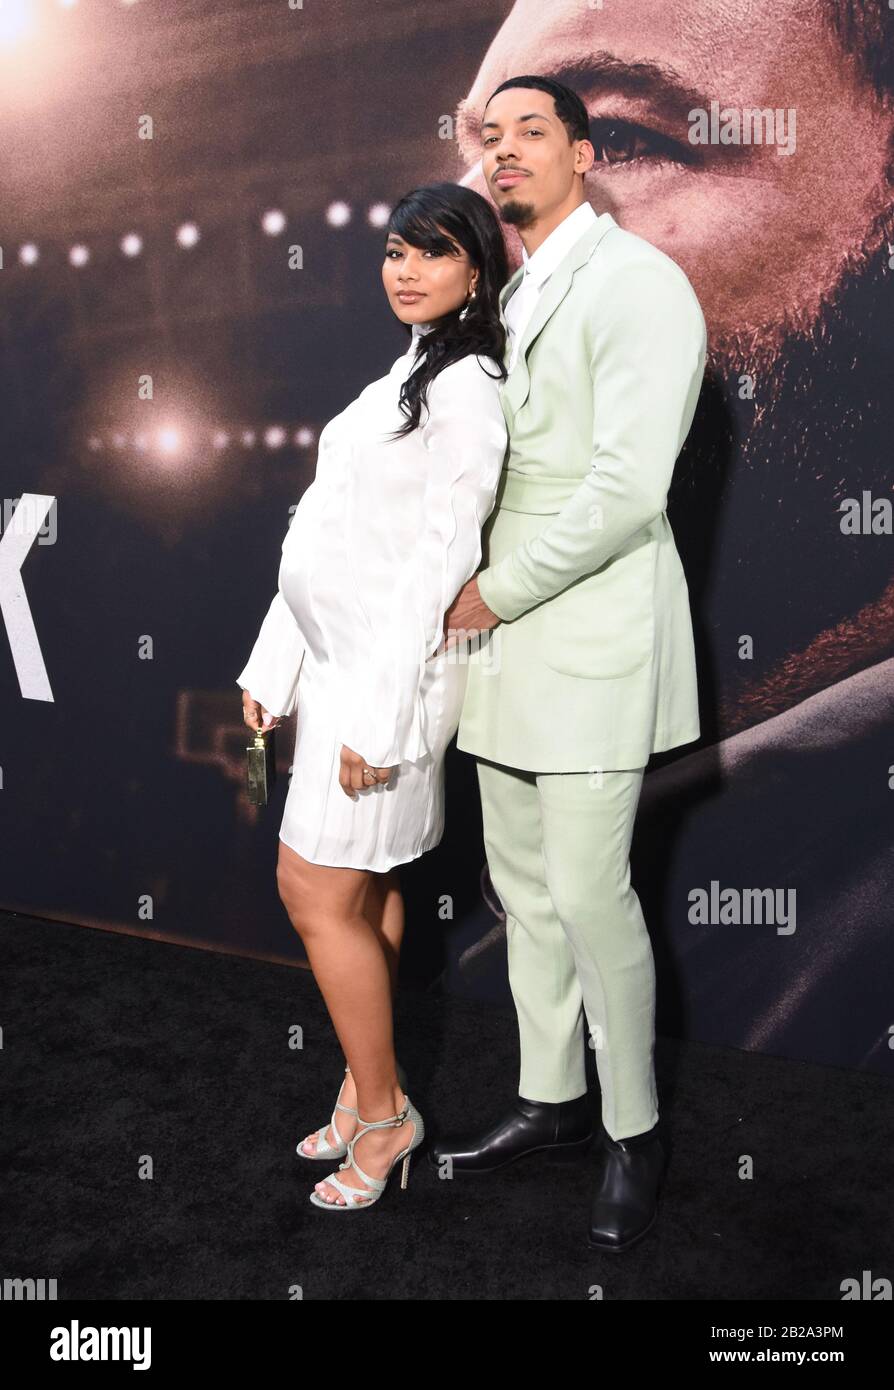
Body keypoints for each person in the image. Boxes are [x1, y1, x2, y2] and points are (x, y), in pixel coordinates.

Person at [431, 77, 707, 1252]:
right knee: (525, 892)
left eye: (530, 133)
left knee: (596, 895)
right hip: (501, 644)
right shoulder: (508, 288)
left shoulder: (640, 283)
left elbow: (627, 490)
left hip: (585, 629)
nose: (504, 154)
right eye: (490, 138)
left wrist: (491, 589)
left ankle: (633, 1130)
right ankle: (551, 1100)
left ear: (586, 155)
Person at [236, 183, 509, 1210]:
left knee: (315, 891)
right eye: (397, 249)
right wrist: (275, 672)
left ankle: (390, 1120)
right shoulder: (412, 368)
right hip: (342, 667)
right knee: (369, 887)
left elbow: (441, 563)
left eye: (432, 253)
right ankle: (364, 1085)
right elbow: (326, 538)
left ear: (475, 270)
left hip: (390, 683)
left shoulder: (469, 386)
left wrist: (379, 720)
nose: (405, 269)